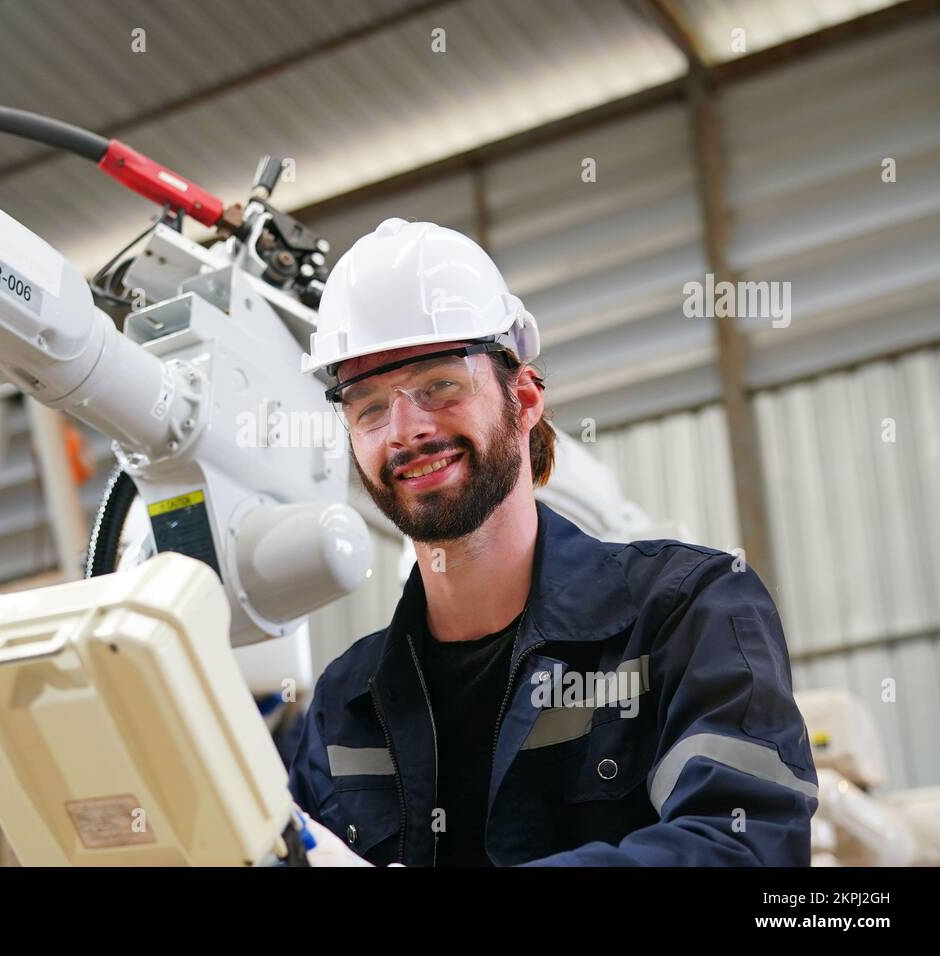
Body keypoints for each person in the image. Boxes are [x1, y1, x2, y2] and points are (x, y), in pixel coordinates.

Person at [287, 218, 817, 866]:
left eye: (440, 385)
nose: (404, 429)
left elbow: (746, 845)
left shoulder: (684, 614)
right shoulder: (344, 706)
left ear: (526, 396)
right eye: (368, 406)